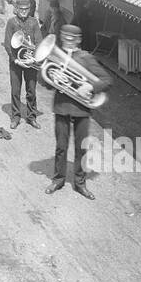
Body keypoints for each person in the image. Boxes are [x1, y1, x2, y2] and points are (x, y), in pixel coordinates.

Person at [45, 25, 111, 200]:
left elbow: (107, 80)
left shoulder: (86, 58)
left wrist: (90, 86)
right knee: (61, 147)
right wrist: (53, 79)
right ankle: (58, 180)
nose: (67, 39)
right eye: (65, 36)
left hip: (81, 110)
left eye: (71, 37)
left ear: (79, 39)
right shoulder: (54, 56)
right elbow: (42, 81)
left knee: (81, 149)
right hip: (61, 107)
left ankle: (80, 183)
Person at [3, 0, 41, 129]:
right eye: (21, 9)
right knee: (15, 91)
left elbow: (38, 42)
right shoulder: (11, 22)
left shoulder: (34, 22)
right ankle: (16, 117)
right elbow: (7, 44)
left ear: (29, 9)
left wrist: (34, 57)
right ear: (16, 9)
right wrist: (16, 60)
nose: (24, 11)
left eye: (26, 9)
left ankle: (31, 117)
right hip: (16, 62)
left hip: (30, 62)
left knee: (31, 91)